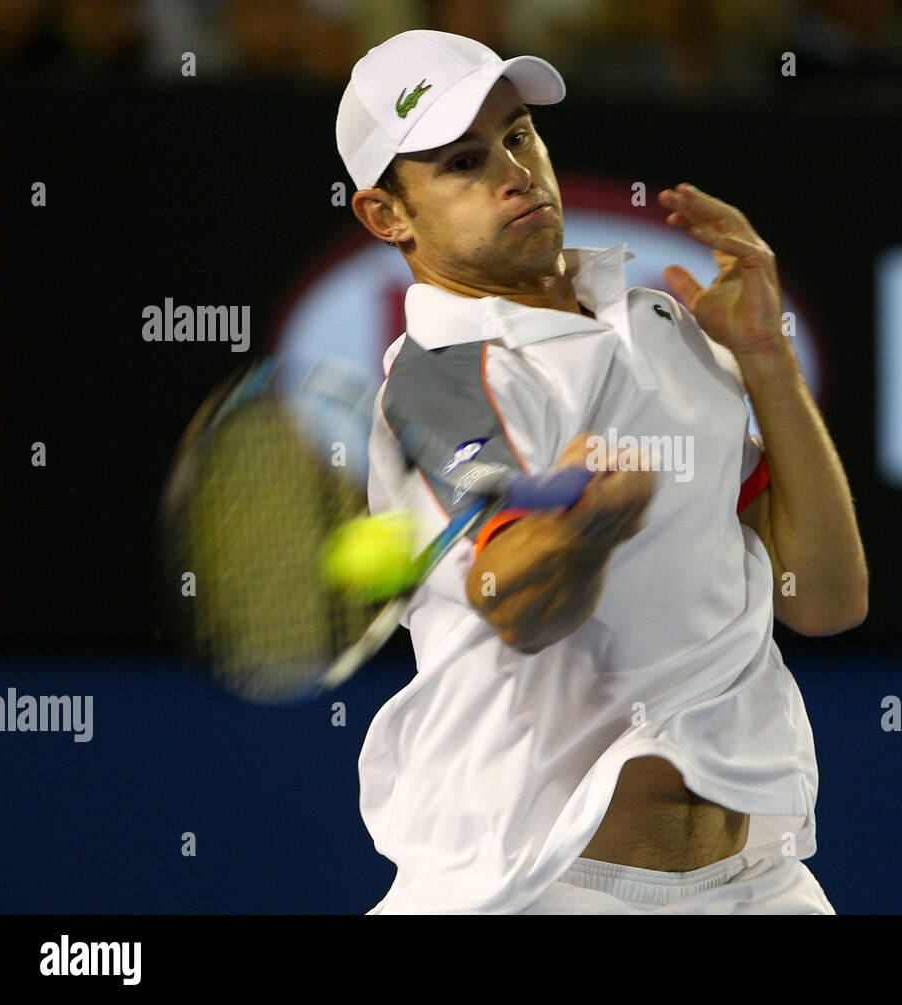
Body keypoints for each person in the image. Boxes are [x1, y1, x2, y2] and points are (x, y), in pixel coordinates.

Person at [335, 29, 868, 914]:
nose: (514, 172)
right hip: (536, 890)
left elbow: (825, 599)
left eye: (517, 136)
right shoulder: (445, 373)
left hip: (755, 887)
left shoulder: (663, 322)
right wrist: (583, 529)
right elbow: (516, 599)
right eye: (463, 163)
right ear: (388, 217)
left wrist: (766, 360)